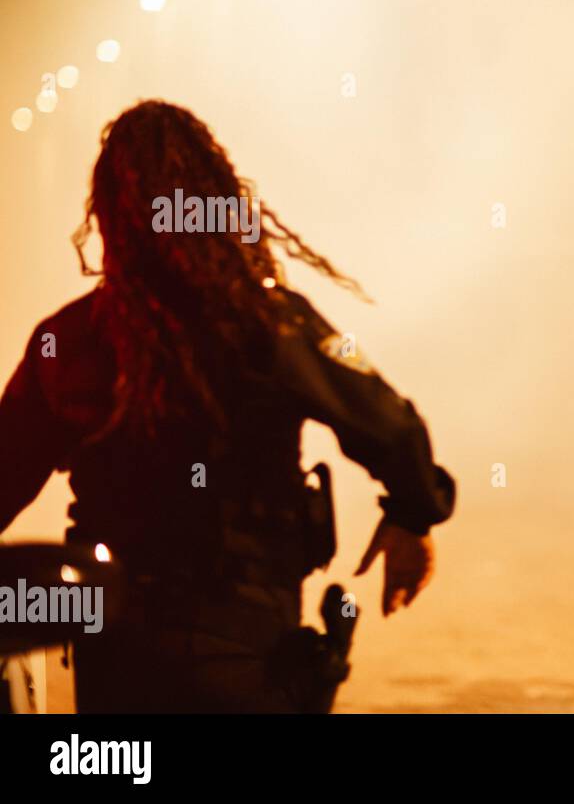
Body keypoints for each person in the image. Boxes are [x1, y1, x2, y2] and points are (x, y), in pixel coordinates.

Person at [0, 100, 455, 713]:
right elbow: (388, 424)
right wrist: (414, 517)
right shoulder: (272, 324)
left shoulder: (71, 339)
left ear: (110, 214)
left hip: (117, 651)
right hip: (247, 640)